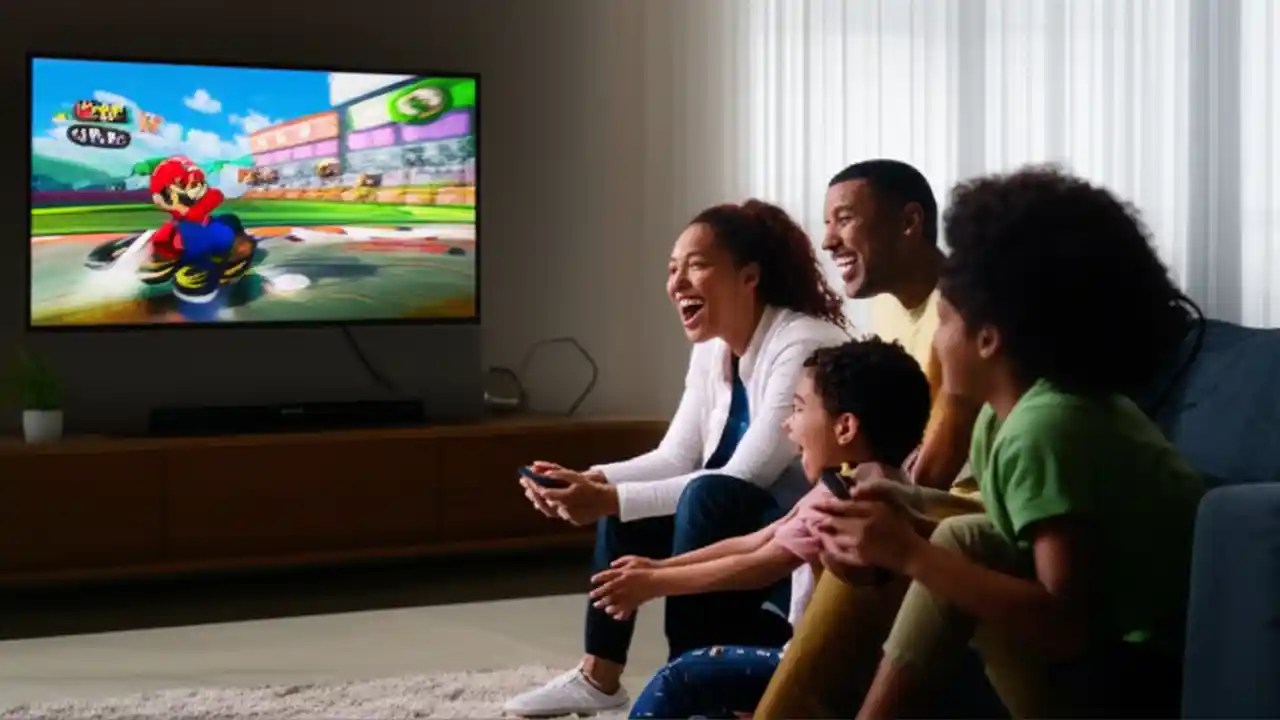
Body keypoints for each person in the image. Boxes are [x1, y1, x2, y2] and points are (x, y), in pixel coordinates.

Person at [810, 166, 1206, 718]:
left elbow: (1067, 623)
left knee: (955, 544)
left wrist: (908, 552)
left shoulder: (1048, 427)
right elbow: (1012, 547)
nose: (936, 340)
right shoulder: (1006, 419)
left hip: (1140, 673)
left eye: (944, 321)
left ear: (989, 340)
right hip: (1106, 648)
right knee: (954, 534)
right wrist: (895, 541)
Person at [503, 199, 851, 718]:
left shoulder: (801, 342)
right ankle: (599, 677)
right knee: (628, 505)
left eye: (696, 265)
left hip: (794, 528)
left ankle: (687, 678)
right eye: (672, 269)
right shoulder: (713, 348)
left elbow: (742, 477)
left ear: (749, 275)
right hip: (731, 514)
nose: (677, 283)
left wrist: (609, 495)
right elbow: (676, 454)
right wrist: (593, 480)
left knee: (699, 495)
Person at [752, 160, 990, 718]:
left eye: (844, 219)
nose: (828, 238)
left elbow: (928, 465)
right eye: (827, 221)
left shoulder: (960, 307)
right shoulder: (887, 307)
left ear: (910, 222)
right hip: (916, 497)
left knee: (859, 505)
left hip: (956, 510)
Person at [591, 338, 932, 719]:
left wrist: (655, 584)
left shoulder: (846, 505)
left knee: (682, 677)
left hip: (818, 668)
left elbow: (762, 564)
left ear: (845, 427)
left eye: (799, 409)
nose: (788, 423)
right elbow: (758, 541)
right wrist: (656, 569)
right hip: (849, 662)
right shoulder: (881, 485)